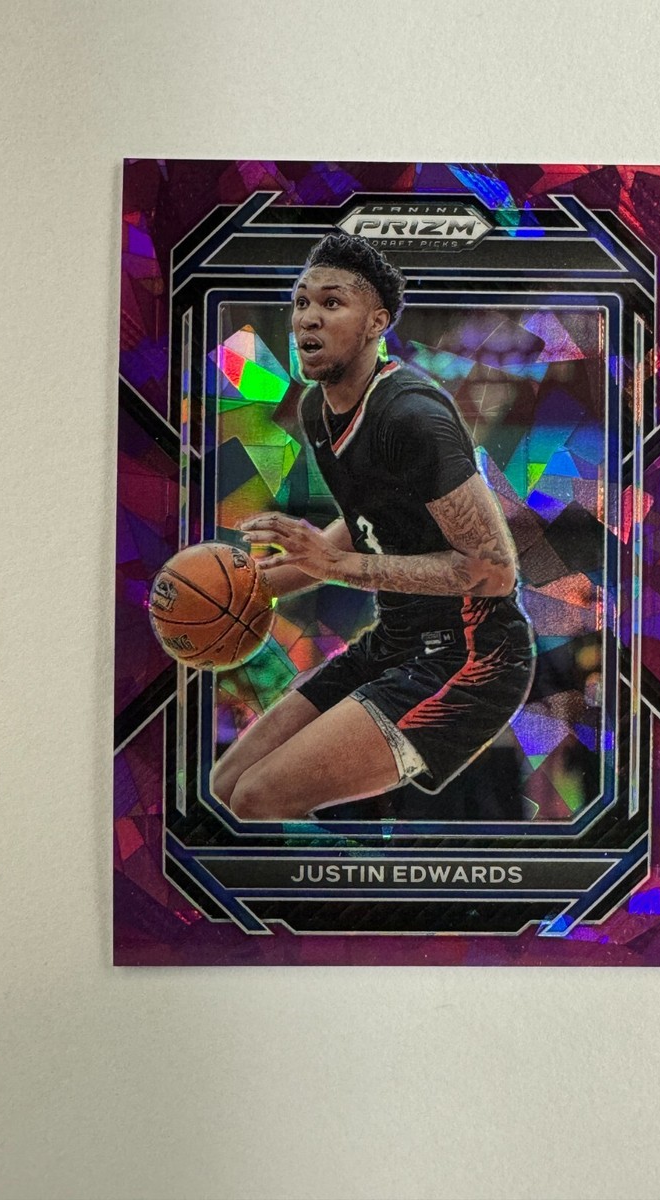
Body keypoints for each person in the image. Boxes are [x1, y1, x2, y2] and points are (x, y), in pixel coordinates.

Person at [210, 233, 534, 820]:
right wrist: (247, 590)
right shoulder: (318, 409)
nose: (308, 317)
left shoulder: (413, 418)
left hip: (472, 657)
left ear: (376, 322)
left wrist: (336, 565)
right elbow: (368, 522)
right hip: (397, 640)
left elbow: (493, 573)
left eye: (332, 303)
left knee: (259, 798)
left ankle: (352, 879)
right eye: (301, 302)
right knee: (227, 783)